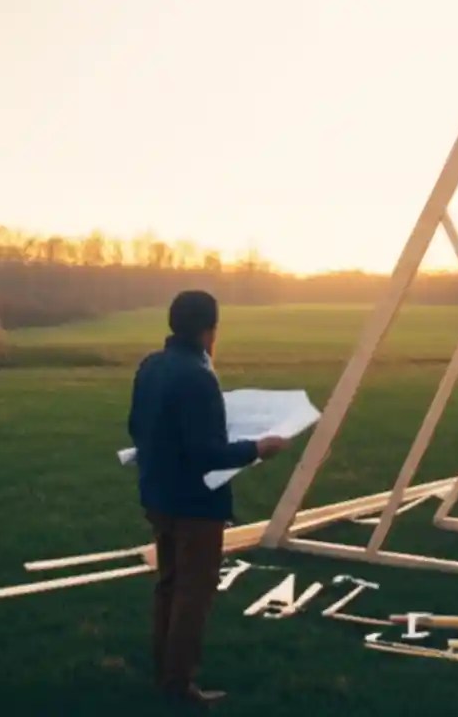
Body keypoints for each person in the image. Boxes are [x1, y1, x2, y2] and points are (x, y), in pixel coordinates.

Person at [128, 290, 289, 705]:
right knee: (193, 593)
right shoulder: (199, 375)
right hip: (194, 504)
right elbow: (207, 454)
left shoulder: (151, 365)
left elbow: (136, 426)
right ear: (209, 330)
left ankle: (163, 667)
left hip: (157, 495)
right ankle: (179, 684)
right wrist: (257, 449)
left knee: (168, 583)